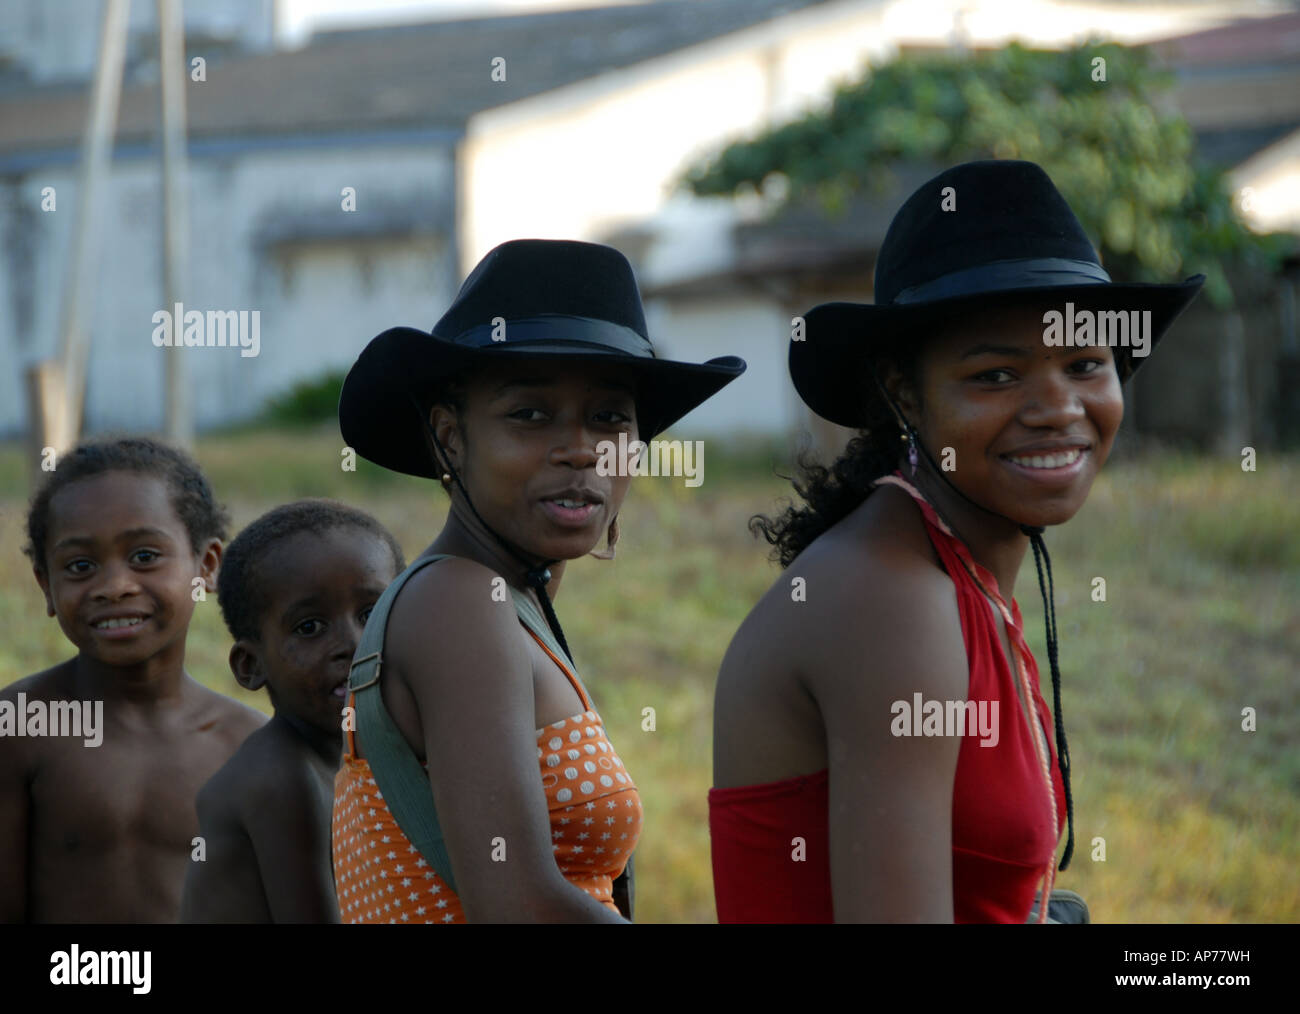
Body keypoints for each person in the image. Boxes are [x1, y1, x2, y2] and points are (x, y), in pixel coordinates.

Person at [710, 160, 1204, 923]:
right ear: (905, 393)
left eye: (1084, 365)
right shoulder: (891, 599)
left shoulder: (953, 568)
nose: (1056, 408)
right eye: (997, 375)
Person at [332, 238, 745, 923]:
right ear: (450, 438)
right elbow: (516, 900)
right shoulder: (457, 602)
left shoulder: (505, 602)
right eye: (529, 415)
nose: (581, 448)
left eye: (610, 416)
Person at [0, 437, 266, 923]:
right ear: (46, 586)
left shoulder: (248, 744)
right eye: (80, 566)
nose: (115, 586)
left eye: (145, 556)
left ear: (206, 567)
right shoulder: (20, 727)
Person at [180, 500, 405, 923]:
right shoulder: (281, 778)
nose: (353, 644)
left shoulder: (372, 756)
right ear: (251, 666)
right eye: (309, 627)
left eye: (371, 613)